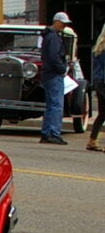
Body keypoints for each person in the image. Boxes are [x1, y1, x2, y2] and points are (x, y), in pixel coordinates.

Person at [40, 12, 71, 145]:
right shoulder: (53, 37)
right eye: (63, 23)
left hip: (48, 74)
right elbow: (54, 57)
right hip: (54, 75)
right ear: (56, 21)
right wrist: (62, 69)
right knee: (56, 105)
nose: (64, 26)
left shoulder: (48, 36)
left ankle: (46, 132)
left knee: (50, 105)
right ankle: (53, 133)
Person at [86, 25, 105, 152]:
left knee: (103, 113)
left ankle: (92, 140)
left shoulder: (98, 48)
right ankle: (92, 140)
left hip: (99, 81)